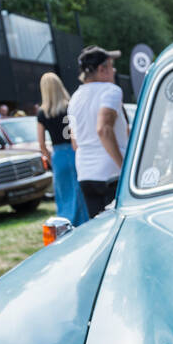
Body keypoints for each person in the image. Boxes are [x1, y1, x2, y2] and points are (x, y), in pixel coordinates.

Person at [67, 46, 129, 218]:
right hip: (111, 172)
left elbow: (74, 142)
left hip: (85, 173)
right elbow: (103, 129)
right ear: (102, 69)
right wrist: (125, 168)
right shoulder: (111, 90)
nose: (114, 71)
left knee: (98, 226)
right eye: (111, 66)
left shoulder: (74, 98)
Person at [37, 71, 87, 227]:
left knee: (63, 193)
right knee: (79, 193)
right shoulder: (69, 107)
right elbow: (75, 134)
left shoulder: (42, 113)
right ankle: (83, 223)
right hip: (73, 152)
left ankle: (65, 226)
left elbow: (41, 144)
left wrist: (50, 159)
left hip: (58, 156)